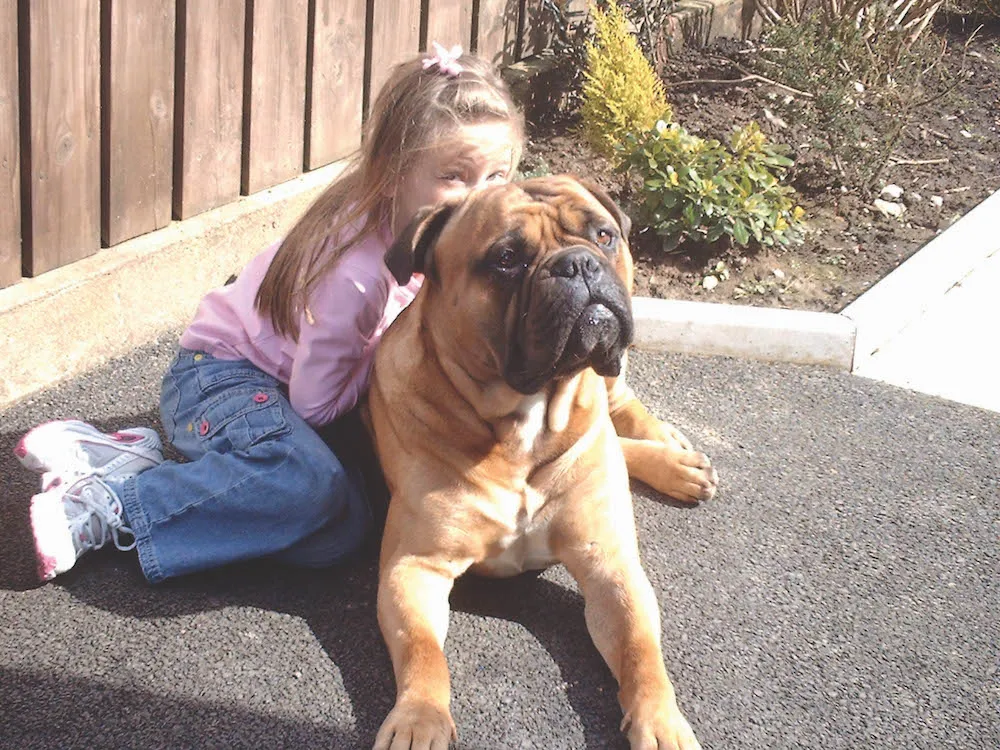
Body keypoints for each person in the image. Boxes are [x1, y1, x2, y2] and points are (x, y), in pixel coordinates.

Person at [17, 43, 525, 585]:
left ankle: (143, 461)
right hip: (217, 379)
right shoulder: (356, 276)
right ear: (395, 172)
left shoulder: (419, 234)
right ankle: (115, 500)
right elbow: (316, 404)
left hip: (277, 389)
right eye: (456, 175)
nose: (480, 200)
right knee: (308, 486)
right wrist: (393, 363)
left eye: (497, 176)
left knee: (342, 533)